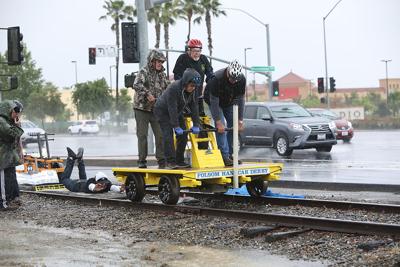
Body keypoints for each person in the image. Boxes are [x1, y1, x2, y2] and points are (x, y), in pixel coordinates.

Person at [154, 68, 202, 169]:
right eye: (192, 85)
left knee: (184, 135)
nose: (193, 88)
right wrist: (175, 126)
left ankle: (179, 160)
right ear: (186, 82)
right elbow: (172, 108)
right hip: (162, 111)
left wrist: (196, 124)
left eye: (195, 86)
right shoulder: (174, 88)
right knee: (168, 135)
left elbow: (194, 107)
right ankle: (170, 161)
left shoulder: (194, 90)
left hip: (177, 111)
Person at [204, 60, 246, 166]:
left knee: (234, 125)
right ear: (228, 72)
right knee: (221, 127)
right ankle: (223, 155)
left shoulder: (241, 80)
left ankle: (230, 154)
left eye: (236, 79)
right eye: (231, 78)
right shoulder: (216, 79)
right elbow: (214, 102)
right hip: (214, 100)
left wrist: (240, 120)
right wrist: (218, 121)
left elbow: (241, 100)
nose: (233, 81)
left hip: (228, 101)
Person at [133, 49, 169, 169]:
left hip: (156, 109)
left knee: (160, 134)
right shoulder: (143, 71)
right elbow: (136, 84)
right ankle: (142, 161)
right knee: (142, 135)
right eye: (158, 61)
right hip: (141, 108)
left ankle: (162, 160)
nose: (160, 64)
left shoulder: (162, 75)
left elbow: (167, 88)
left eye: (161, 62)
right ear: (152, 61)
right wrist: (147, 94)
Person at [173, 39, 214, 116]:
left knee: (201, 118)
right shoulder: (183, 58)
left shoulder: (203, 59)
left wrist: (210, 80)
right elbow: (177, 75)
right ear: (189, 50)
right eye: (194, 51)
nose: (196, 53)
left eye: (198, 51)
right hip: (185, 95)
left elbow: (209, 72)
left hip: (198, 95)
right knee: (186, 118)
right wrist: (183, 85)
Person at [60, 147, 124, 193]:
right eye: (101, 183)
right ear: (96, 182)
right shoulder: (91, 183)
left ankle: (80, 159)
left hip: (82, 182)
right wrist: (95, 188)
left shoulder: (106, 184)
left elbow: (112, 187)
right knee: (64, 179)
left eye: (104, 183)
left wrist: (120, 189)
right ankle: (71, 159)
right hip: (75, 185)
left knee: (83, 179)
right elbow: (91, 186)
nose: (103, 185)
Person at [0, 100, 24, 211]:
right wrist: (17, 126)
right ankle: (3, 204)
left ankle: (9, 200)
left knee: (9, 179)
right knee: (3, 181)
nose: (16, 114)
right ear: (8, 109)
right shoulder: (1, 121)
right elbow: (12, 134)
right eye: (15, 111)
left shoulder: (7, 121)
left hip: (6, 157)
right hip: (2, 158)